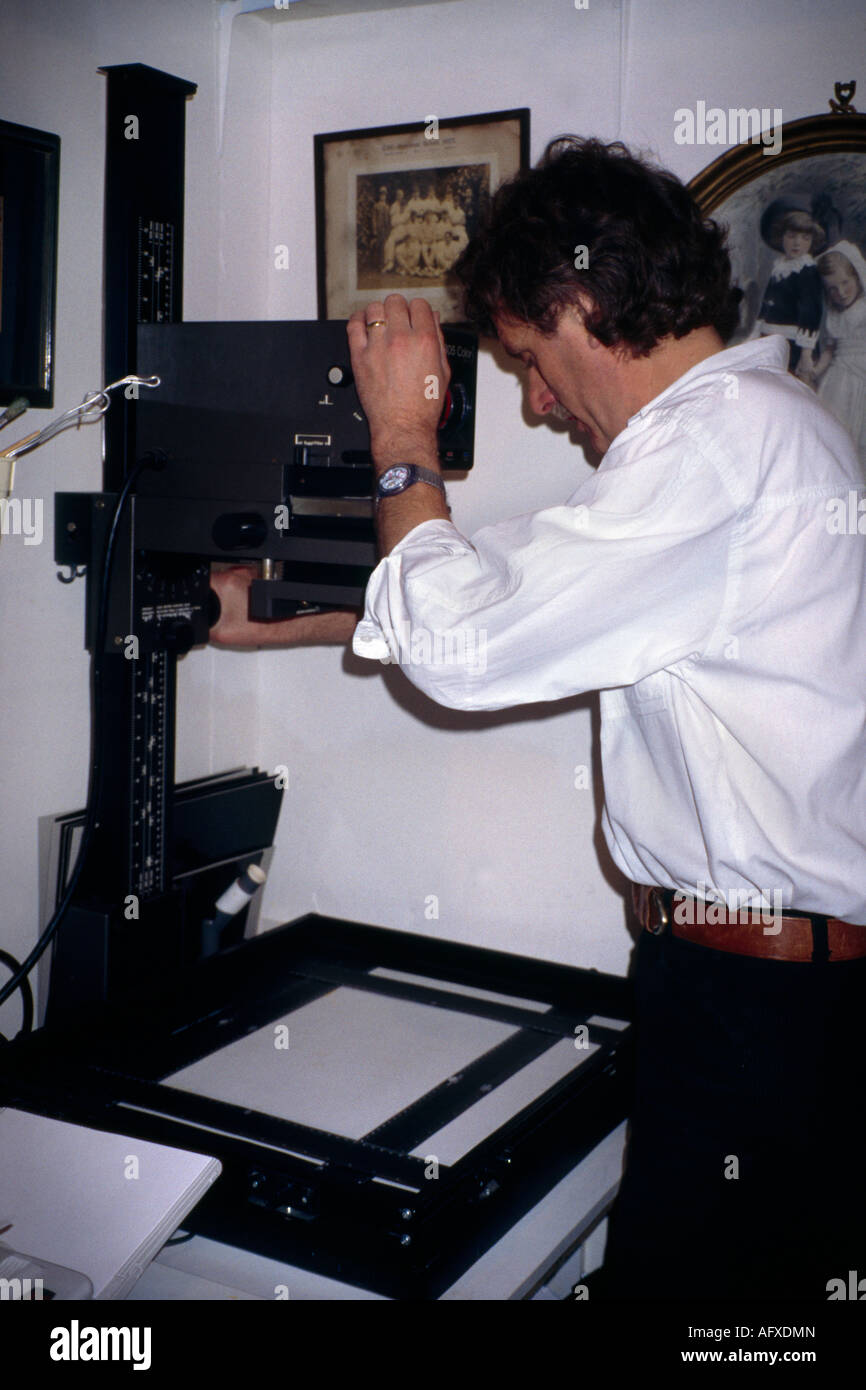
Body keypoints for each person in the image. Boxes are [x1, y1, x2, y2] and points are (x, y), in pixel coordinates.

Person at [210, 137, 866, 1302]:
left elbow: (465, 644)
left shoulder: (713, 449)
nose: (535, 401)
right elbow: (522, 599)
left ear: (576, 303)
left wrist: (401, 438)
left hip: (757, 1012)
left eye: (524, 358)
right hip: (762, 996)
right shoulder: (758, 428)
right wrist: (273, 617)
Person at [799, 240, 866, 467]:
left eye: (845, 283)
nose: (841, 292)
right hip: (839, 378)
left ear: (857, 276)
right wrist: (814, 371)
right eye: (833, 289)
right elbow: (829, 350)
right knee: (838, 428)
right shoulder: (833, 316)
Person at [752, 198, 825, 374]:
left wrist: (806, 354)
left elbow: (811, 312)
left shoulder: (807, 272)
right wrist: (755, 332)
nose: (797, 243)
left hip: (793, 344)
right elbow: (767, 303)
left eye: (804, 238)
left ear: (812, 241)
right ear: (781, 237)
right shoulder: (780, 267)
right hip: (771, 338)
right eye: (791, 236)